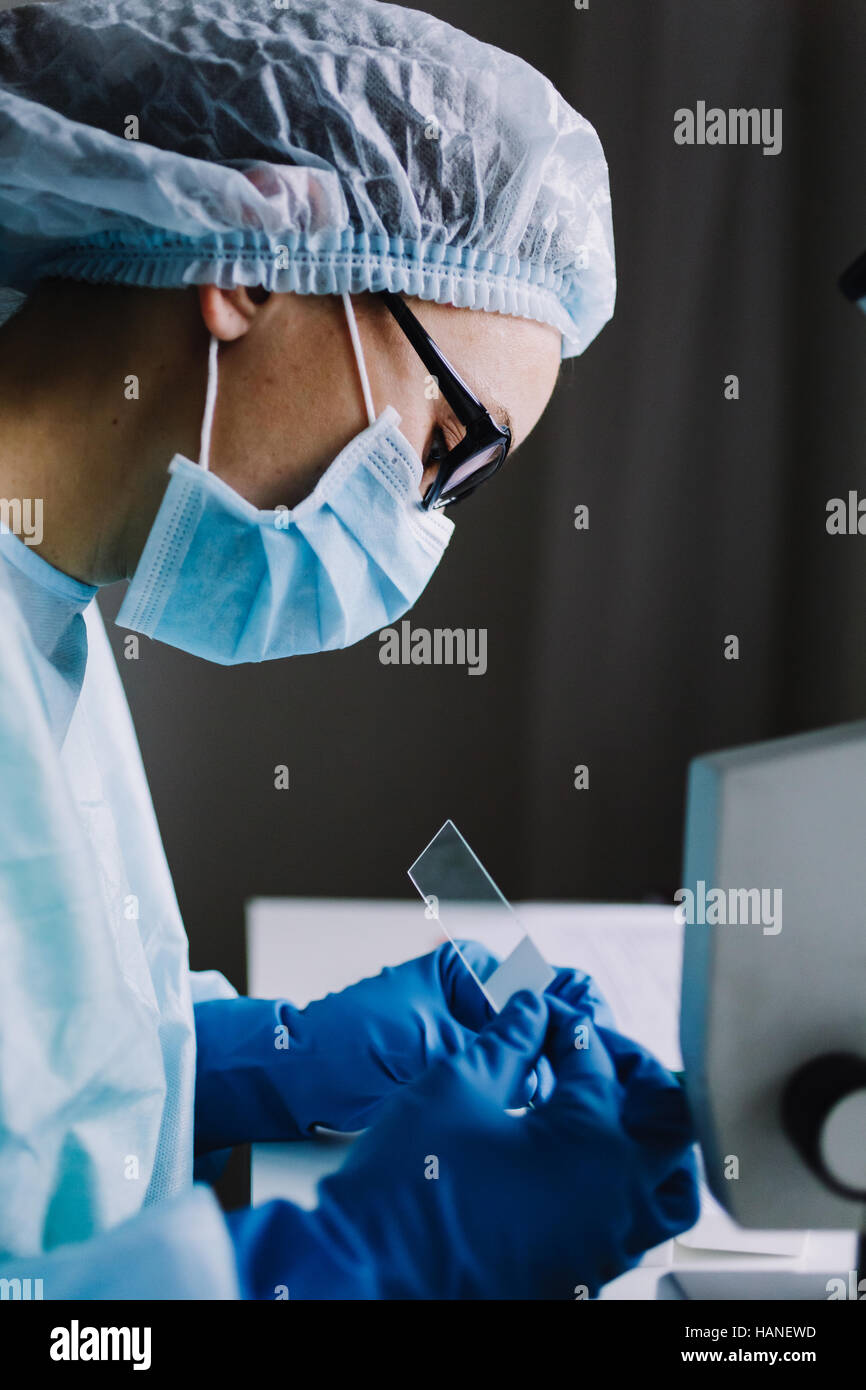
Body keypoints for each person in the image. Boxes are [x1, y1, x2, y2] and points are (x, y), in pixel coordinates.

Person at [0, 0, 698, 1299]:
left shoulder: (39, 604)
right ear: (254, 263)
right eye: (448, 447)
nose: (417, 529)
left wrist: (249, 1054)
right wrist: (360, 1260)